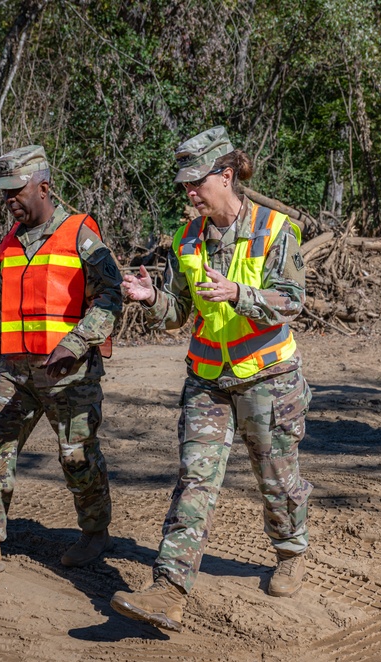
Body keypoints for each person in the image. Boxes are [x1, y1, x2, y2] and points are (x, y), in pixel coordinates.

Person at [111, 126, 313, 632]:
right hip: (206, 380)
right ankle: (169, 588)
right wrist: (150, 298)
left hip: (268, 377)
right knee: (194, 480)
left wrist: (240, 294)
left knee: (276, 478)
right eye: (184, 185)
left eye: (196, 182)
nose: (189, 192)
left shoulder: (274, 228)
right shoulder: (186, 237)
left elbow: (292, 300)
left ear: (226, 175)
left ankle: (290, 551)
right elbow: (179, 310)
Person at [0, 145, 123, 574]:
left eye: (16, 190)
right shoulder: (10, 242)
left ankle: (95, 533)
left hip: (67, 373)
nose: (9, 200)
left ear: (44, 187)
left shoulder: (79, 232)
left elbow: (112, 297)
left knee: (77, 457)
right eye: (3, 193)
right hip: (14, 371)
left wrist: (75, 343)